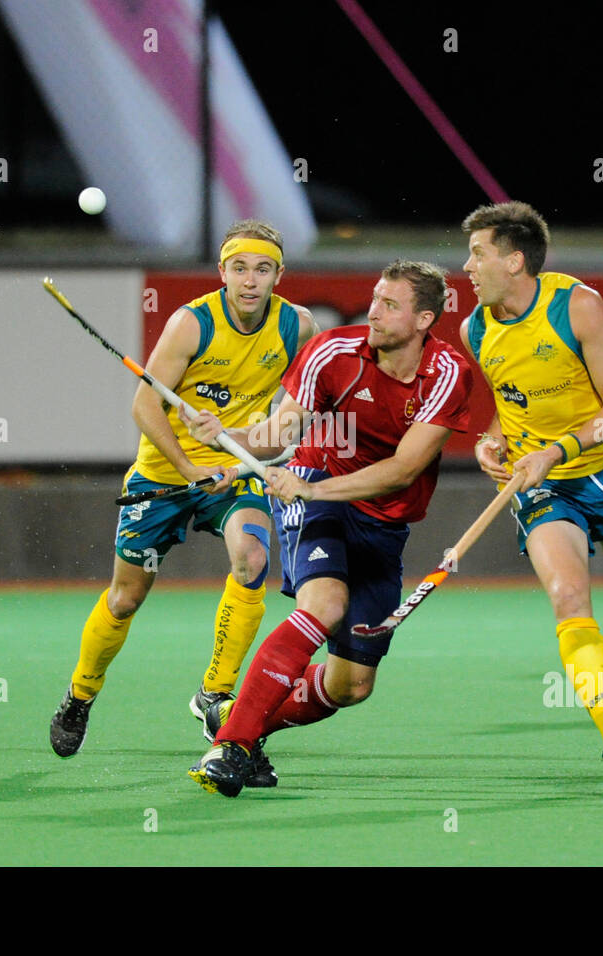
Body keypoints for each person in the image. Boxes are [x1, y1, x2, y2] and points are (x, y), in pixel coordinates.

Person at [185, 260, 472, 797]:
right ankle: (232, 747)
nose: (374, 309)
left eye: (390, 304)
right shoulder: (332, 352)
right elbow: (280, 432)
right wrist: (232, 434)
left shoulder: (449, 373)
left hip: (381, 519)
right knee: (324, 606)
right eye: (374, 297)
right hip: (317, 485)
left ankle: (239, 723)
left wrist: (312, 490)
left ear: (424, 318)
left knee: (351, 686)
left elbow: (404, 469)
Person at [48, 220, 316, 758]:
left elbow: (293, 424)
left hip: (234, 472)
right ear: (222, 272)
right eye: (239, 268)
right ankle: (80, 694)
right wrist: (190, 469)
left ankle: (215, 693)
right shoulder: (191, 324)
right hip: (163, 476)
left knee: (254, 559)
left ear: (278, 275)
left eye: (262, 269)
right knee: (125, 599)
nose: (249, 280)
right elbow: (144, 406)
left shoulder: (297, 327)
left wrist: (242, 449)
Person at [462, 201, 603, 783]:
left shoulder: (579, 307)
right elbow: (509, 402)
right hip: (545, 491)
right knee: (567, 594)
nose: (466, 267)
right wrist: (492, 441)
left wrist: (554, 451)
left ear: (515, 261)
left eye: (478, 254)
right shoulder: (475, 328)